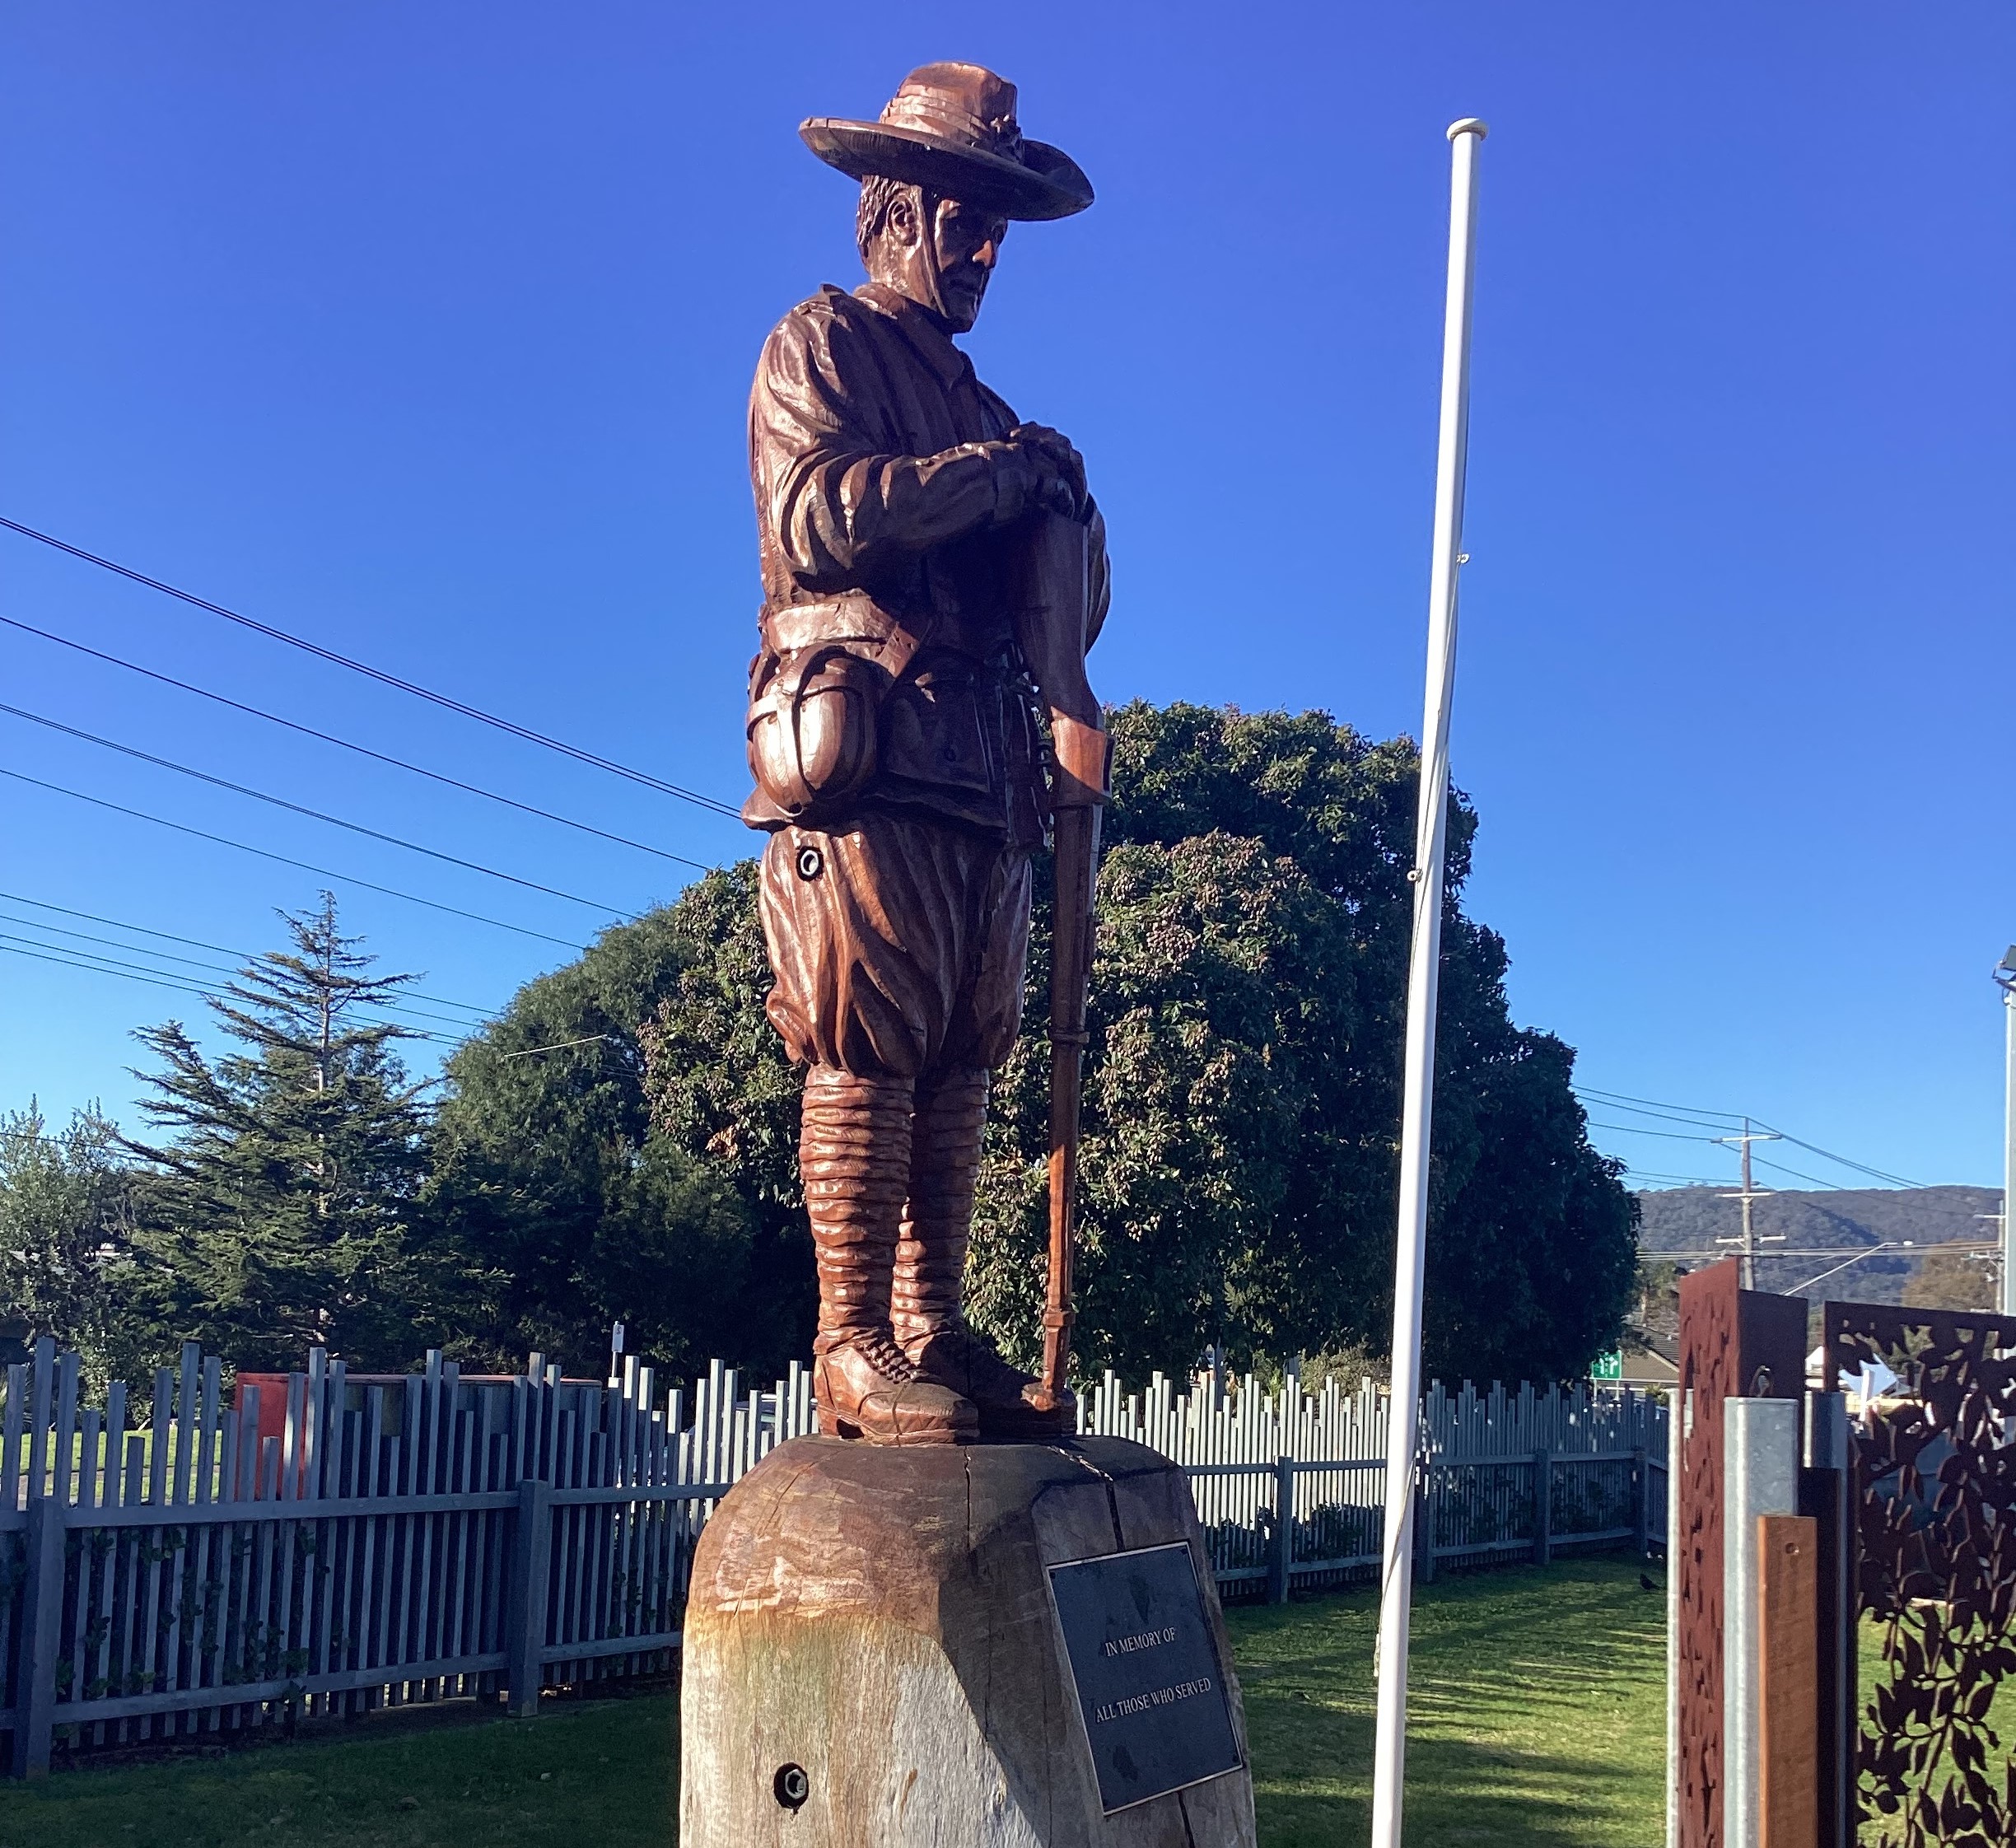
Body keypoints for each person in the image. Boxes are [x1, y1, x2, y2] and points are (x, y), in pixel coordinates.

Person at [743, 63, 1108, 1444]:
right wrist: (998, 478)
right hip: (867, 750)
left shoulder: (986, 402)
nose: (983, 251)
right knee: (864, 1040)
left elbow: (1055, 612)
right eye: (963, 218)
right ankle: (848, 1340)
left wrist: (1060, 507)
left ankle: (932, 1322)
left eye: (998, 229)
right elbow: (822, 518)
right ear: (891, 210)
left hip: (985, 770)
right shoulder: (819, 345)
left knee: (964, 1054)